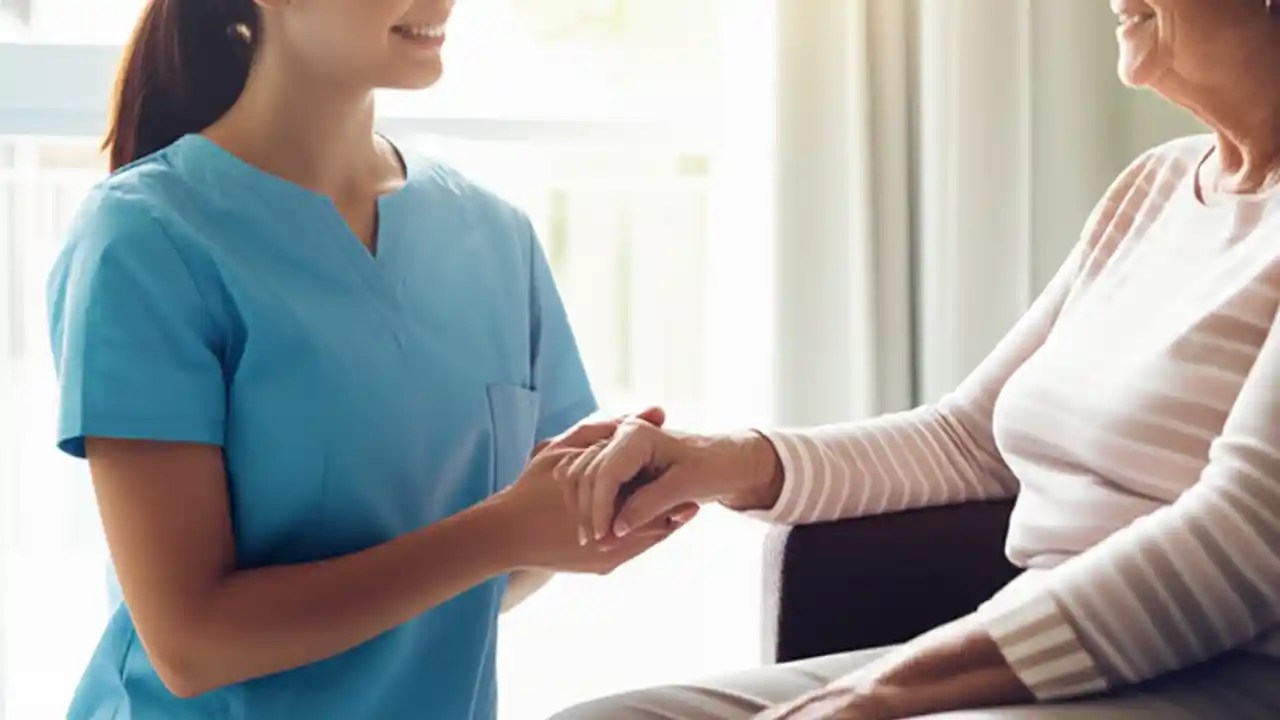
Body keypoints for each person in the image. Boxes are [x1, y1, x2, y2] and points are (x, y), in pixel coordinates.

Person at [553, 0, 1280, 717]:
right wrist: (721, 460)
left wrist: (883, 692)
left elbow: (1247, 538)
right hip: (1029, 653)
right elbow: (970, 439)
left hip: (1212, 675)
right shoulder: (1156, 187)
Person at [46, 0, 695, 718]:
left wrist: (598, 505)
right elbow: (191, 643)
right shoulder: (144, 240)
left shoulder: (495, 235)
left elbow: (498, 565)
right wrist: (503, 531)